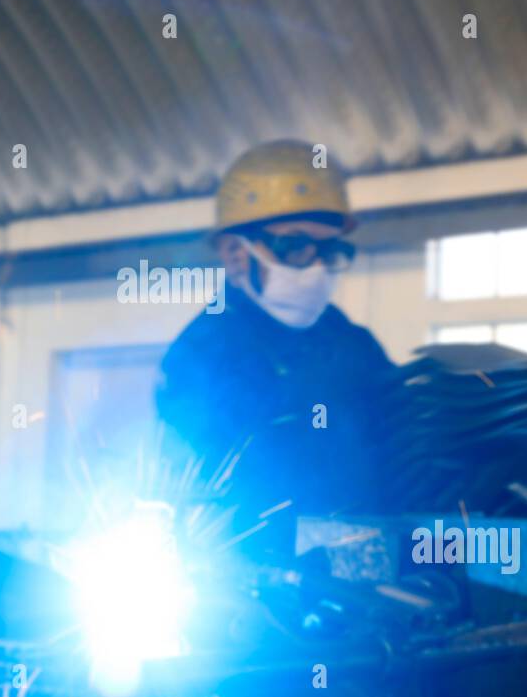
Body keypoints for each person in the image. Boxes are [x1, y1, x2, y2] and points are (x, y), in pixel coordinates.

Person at [156, 141, 397, 563]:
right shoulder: (203, 355)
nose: (318, 266)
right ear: (235, 253)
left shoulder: (352, 344)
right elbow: (198, 482)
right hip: (250, 580)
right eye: (298, 246)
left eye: (331, 250)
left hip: (361, 569)